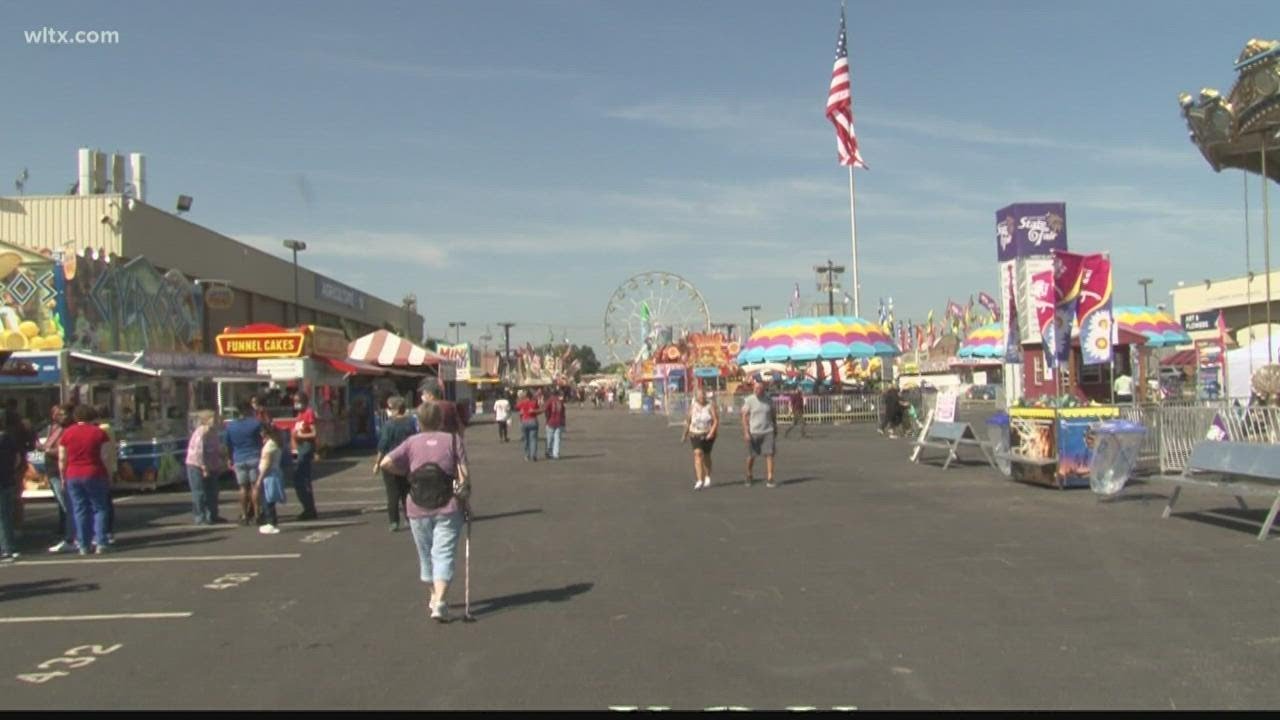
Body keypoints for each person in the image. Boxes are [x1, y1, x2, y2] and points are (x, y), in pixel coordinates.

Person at [379, 401, 470, 622]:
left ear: (418, 422)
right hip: (447, 504)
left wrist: (406, 473)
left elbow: (385, 462)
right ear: (440, 420)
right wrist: (466, 502)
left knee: (426, 553)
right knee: (444, 552)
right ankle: (440, 600)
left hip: (417, 505)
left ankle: (434, 597)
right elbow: (464, 476)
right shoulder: (452, 440)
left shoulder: (411, 442)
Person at [58, 404, 114, 555]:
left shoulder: (67, 433)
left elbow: (62, 458)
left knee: (80, 509)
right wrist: (109, 474)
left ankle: (83, 544)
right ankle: (101, 542)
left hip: (73, 474)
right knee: (100, 507)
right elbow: (106, 456)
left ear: (75, 417)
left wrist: (63, 476)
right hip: (95, 472)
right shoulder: (99, 433)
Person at [373, 395, 417, 531]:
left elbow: (383, 445)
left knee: (392, 493)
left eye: (390, 408)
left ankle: (394, 521)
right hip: (407, 461)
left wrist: (377, 463)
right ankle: (409, 518)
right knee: (407, 491)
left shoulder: (389, 425)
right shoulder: (411, 422)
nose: (388, 410)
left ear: (396, 409)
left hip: (390, 462)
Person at [43, 404, 77, 553]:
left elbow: (65, 452)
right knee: (64, 506)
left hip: (61, 472)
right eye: (57, 414)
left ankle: (72, 537)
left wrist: (51, 451)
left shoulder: (71, 430)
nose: (59, 416)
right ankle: (68, 533)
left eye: (62, 414)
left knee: (68, 506)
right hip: (52, 470)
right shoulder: (55, 428)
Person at [224, 399, 264, 525]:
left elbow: (228, 445)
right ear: (248, 410)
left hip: (239, 458)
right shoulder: (256, 424)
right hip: (254, 456)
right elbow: (263, 438)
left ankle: (244, 515)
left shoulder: (231, 426)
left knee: (242, 488)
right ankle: (257, 514)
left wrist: (229, 458)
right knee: (255, 486)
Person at [185, 410, 226, 525]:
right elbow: (198, 452)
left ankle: (212, 515)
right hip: (196, 465)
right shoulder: (201, 432)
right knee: (199, 492)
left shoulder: (213, 432)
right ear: (207, 420)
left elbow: (216, 449)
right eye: (215, 419)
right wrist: (204, 468)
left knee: (213, 491)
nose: (217, 421)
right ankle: (200, 517)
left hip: (211, 465)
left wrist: (223, 459)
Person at [741, 381, 778, 488]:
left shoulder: (768, 400)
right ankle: (749, 474)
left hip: (768, 431)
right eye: (756, 388)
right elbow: (744, 416)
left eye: (759, 388)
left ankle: (770, 478)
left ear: (763, 389)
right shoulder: (749, 400)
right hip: (754, 432)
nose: (757, 390)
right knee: (752, 456)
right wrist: (746, 432)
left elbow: (773, 414)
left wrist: (775, 427)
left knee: (769, 454)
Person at [681, 388, 719, 490]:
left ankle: (707, 476)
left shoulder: (710, 406)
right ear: (696, 397)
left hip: (708, 434)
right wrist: (685, 434)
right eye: (700, 396)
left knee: (706, 456)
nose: (702, 398)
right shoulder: (693, 406)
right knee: (697, 454)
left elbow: (716, 420)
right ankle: (699, 480)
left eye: (703, 396)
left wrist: (712, 432)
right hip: (695, 434)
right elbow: (688, 421)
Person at [290, 391, 319, 521]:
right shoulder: (300, 414)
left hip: (306, 448)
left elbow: (314, 433)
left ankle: (309, 509)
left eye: (298, 401)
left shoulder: (308, 413)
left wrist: (300, 436)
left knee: (302, 479)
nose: (296, 404)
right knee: (299, 479)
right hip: (299, 448)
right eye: (294, 401)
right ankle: (308, 507)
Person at [256, 424, 286, 535]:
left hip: (269, 474)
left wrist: (260, 478)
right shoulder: (274, 443)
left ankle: (271, 523)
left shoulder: (270, 445)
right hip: (273, 472)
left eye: (262, 431)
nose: (260, 433)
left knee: (268, 499)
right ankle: (270, 521)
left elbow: (267, 463)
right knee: (269, 498)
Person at [0, 408, 21, 562]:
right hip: (7, 479)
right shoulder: (9, 438)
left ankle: (7, 548)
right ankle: (8, 546)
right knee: (5, 515)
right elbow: (17, 459)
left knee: (3, 516)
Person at [515, 390, 542, 461]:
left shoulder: (522, 402)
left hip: (524, 421)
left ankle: (527, 455)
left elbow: (516, 407)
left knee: (526, 440)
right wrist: (534, 412)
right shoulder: (534, 402)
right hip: (533, 420)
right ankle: (534, 455)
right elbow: (539, 410)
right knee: (533, 439)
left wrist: (520, 399)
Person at [544, 390, 567, 460]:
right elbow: (563, 413)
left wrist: (547, 417)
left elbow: (546, 409)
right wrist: (563, 422)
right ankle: (556, 454)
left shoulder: (549, 400)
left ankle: (549, 451)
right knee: (557, 439)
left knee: (550, 438)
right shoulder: (560, 402)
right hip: (559, 422)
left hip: (550, 422)